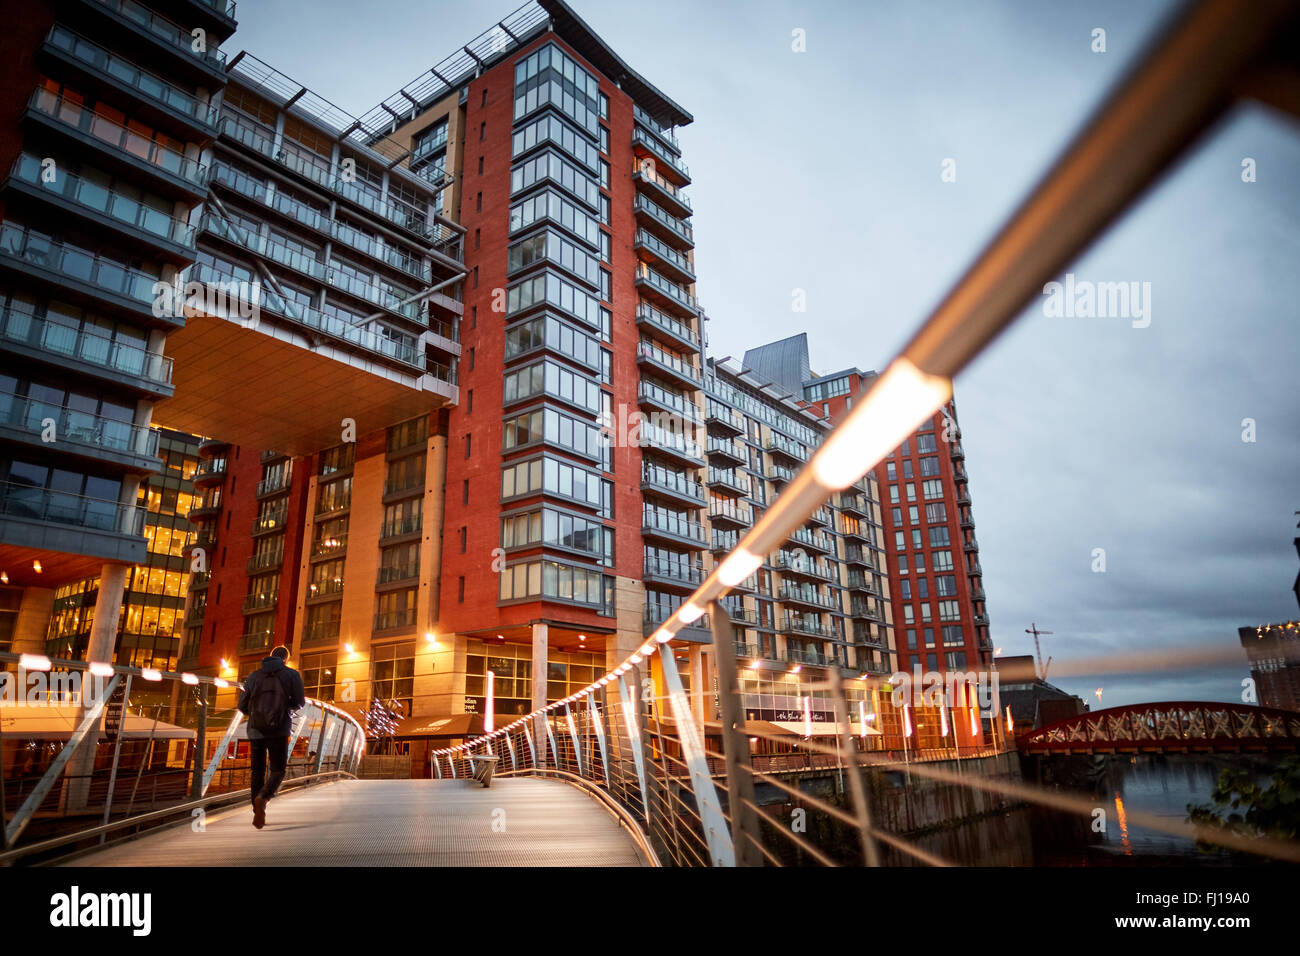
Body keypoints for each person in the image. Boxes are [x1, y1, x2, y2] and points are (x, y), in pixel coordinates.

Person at [237, 645, 306, 829]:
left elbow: (242, 704)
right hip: (279, 729)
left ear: (270, 657)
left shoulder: (253, 676)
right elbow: (300, 702)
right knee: (277, 770)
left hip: (256, 731)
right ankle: (264, 797)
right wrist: (284, 708)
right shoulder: (291, 675)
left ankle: (257, 810)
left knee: (257, 771)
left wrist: (256, 715)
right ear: (286, 659)